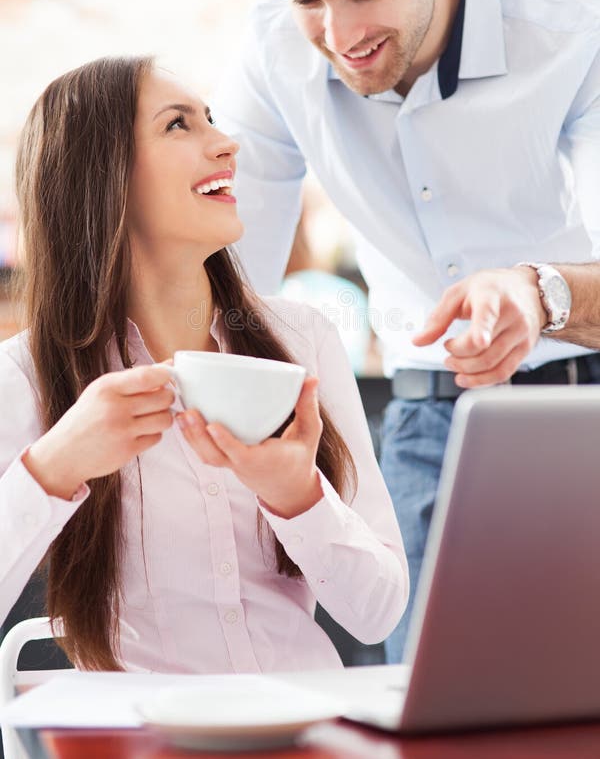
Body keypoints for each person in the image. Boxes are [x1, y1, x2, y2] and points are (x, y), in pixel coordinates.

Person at [211, 0, 600, 662]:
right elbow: (228, 279)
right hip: (425, 422)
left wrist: (538, 292)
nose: (341, 37)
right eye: (306, 0)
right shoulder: (271, 52)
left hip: (583, 400)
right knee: (430, 703)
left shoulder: (573, 29)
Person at [0, 56, 408, 673]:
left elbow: (378, 613)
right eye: (178, 125)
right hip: (137, 729)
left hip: (300, 721)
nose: (227, 143)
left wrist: (297, 496)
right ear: (102, 177)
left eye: (211, 118)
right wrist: (55, 467)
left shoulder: (304, 340)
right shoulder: (28, 375)